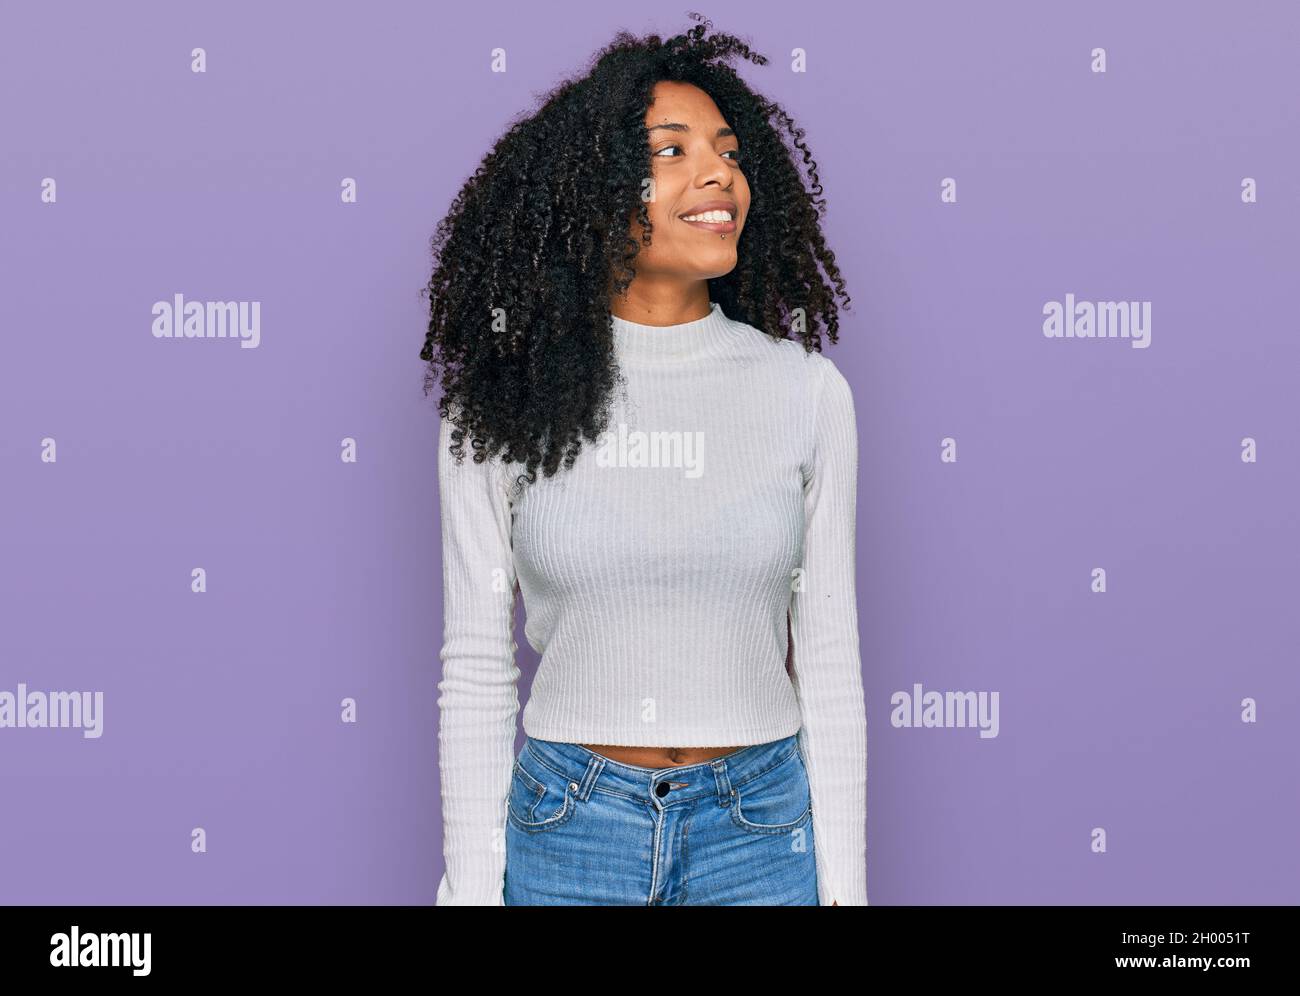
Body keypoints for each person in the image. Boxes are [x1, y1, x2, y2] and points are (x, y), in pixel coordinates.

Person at [422, 14, 866, 905]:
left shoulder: (806, 392)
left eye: (728, 151)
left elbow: (828, 659)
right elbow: (476, 665)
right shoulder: (505, 405)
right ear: (589, 191)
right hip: (568, 831)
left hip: (760, 830)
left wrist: (844, 892)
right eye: (672, 151)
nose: (719, 174)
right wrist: (470, 894)